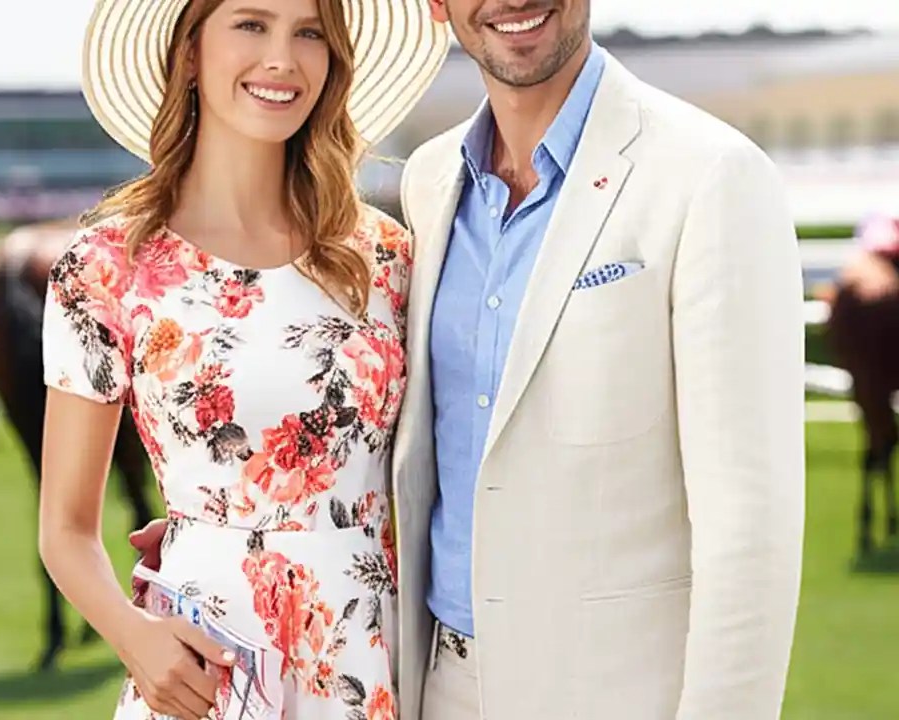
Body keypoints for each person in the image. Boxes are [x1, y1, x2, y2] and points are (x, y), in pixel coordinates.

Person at [135, 1, 806, 718]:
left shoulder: (711, 176)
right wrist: (236, 526)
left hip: (618, 692)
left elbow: (750, 527)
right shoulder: (430, 183)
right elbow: (406, 438)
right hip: (435, 684)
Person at [36, 1, 447, 719]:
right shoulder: (106, 267)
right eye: (252, 24)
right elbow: (65, 530)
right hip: (206, 669)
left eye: (309, 32)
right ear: (191, 52)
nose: (282, 59)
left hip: (371, 658)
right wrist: (137, 639)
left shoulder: (386, 258)